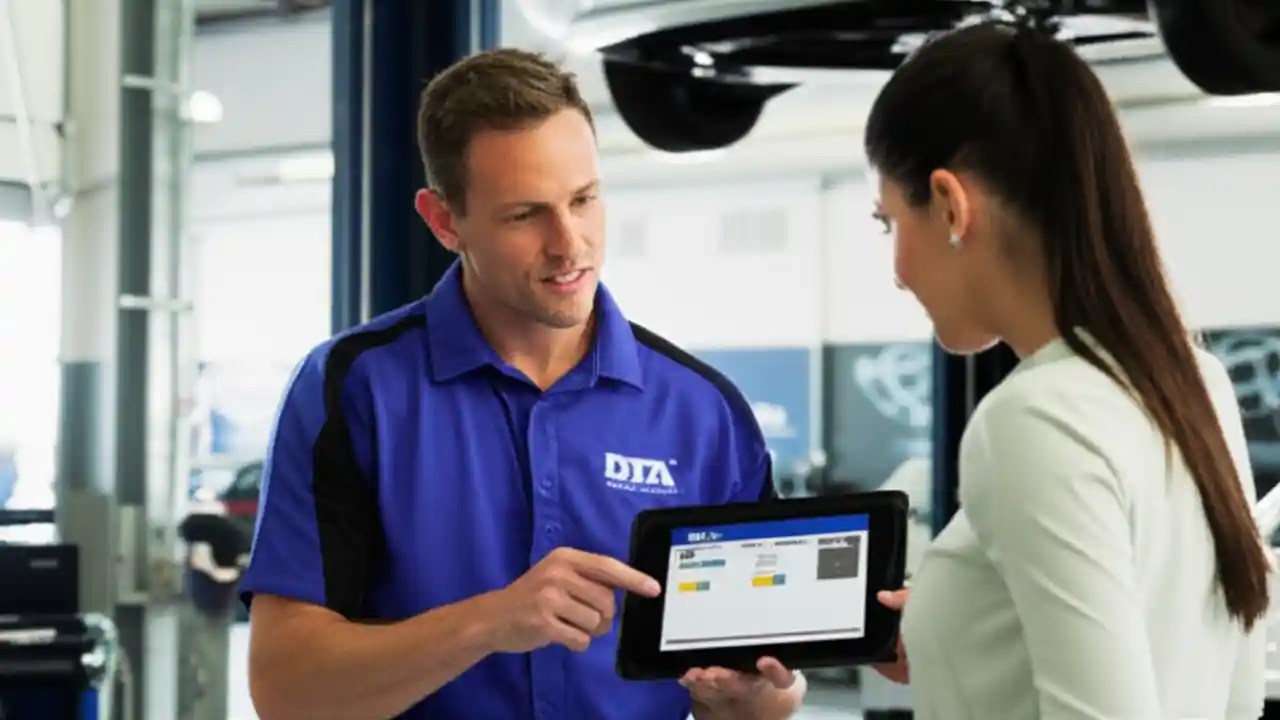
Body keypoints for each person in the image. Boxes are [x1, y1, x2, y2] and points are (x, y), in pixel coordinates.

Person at [238, 48, 806, 720]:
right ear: (444, 221)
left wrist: (755, 695)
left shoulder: (702, 411)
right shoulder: (354, 389)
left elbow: (766, 693)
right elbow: (286, 691)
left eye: (583, 200)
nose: (569, 245)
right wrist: (490, 622)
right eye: (524, 215)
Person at [862, 22, 1270, 720]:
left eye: (888, 222)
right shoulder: (1197, 385)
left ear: (951, 206)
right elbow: (1234, 695)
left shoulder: (1035, 416)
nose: (897, 273)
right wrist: (951, 631)